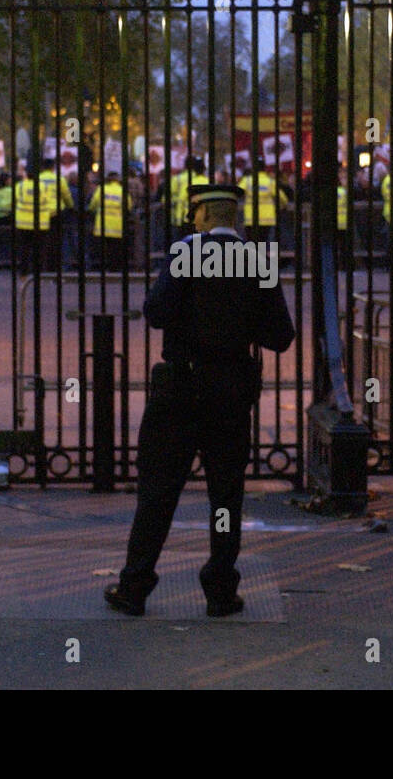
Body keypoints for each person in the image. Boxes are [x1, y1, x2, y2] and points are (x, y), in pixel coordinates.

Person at [105, 183, 295, 618]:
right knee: (225, 495)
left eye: (194, 215)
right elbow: (281, 336)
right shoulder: (257, 260)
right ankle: (220, 590)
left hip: (181, 387)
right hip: (231, 390)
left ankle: (135, 585)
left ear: (205, 216)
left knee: (158, 491)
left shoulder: (186, 255)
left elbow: (155, 313)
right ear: (236, 218)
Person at [89, 170, 129, 270]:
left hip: (102, 224)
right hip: (117, 225)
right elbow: (128, 206)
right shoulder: (122, 190)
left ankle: (103, 267)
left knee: (103, 248)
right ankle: (115, 267)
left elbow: (93, 204)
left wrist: (91, 210)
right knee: (116, 248)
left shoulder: (101, 189)